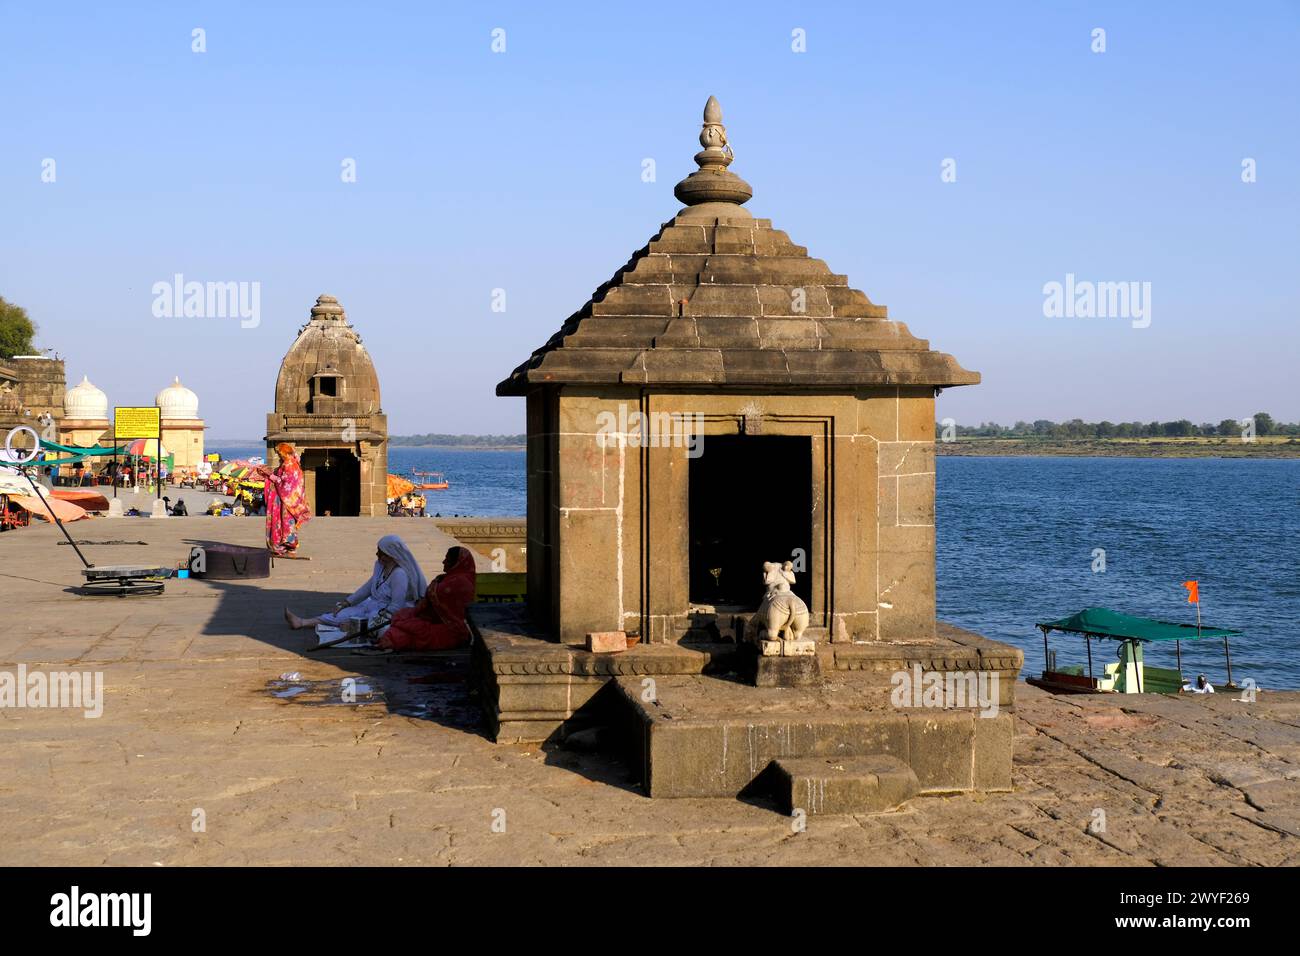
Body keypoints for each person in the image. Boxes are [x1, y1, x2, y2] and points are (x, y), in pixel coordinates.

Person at [284, 535, 426, 631]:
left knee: (366, 622)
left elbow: (396, 606)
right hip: (373, 604)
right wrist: (347, 602)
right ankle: (302, 622)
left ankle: (354, 628)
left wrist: (361, 625)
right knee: (340, 614)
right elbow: (369, 587)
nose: (378, 555)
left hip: (386, 612)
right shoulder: (380, 566)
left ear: (391, 554)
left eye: (381, 553)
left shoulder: (399, 574)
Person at [379, 546, 477, 651]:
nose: (443, 562)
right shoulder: (447, 579)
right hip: (433, 620)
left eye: (447, 559)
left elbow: (440, 602)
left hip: (453, 630)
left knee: (411, 632)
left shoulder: (460, 583)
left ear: (456, 563)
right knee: (403, 617)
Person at [260, 443, 311, 556]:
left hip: (286, 500)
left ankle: (288, 547)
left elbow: (287, 483)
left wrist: (272, 477)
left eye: (279, 453)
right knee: (283, 523)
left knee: (286, 523)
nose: (278, 456)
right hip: (285, 499)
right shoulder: (293, 462)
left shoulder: (289, 464)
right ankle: (285, 547)